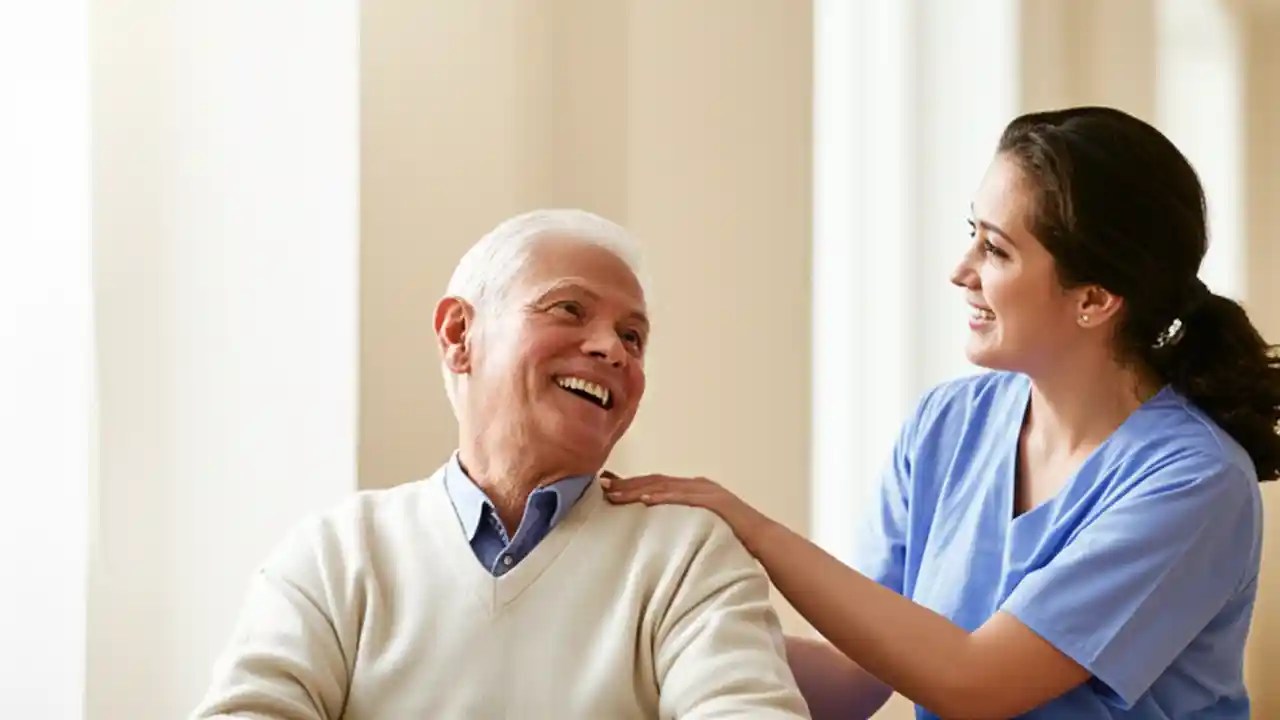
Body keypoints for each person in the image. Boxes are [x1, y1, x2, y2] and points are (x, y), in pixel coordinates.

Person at [605, 107, 1280, 719]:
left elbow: (974, 684)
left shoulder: (1193, 482)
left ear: (1094, 299)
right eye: (972, 235)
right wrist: (667, 630)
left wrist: (748, 527)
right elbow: (853, 679)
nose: (962, 271)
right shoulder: (947, 426)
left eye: (995, 249)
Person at [192, 210, 811, 719]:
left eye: (633, 337)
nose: (611, 350)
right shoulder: (336, 553)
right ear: (459, 334)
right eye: (569, 310)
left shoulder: (690, 555)